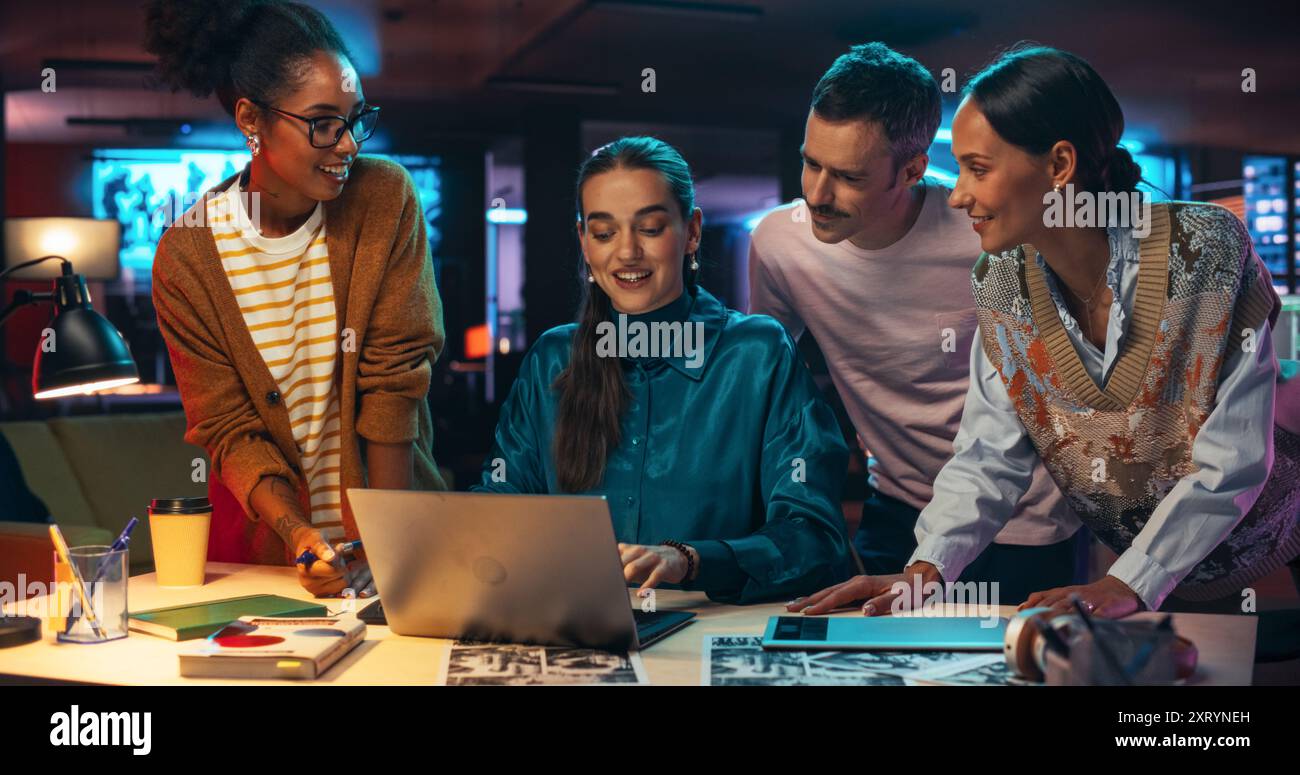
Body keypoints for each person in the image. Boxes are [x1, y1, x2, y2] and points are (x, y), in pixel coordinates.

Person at [794, 46, 1300, 618]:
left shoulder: (1206, 248)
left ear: (1059, 166)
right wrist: (924, 570)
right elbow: (989, 455)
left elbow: (1233, 461)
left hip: (1279, 521)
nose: (957, 195)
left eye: (978, 168)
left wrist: (1128, 582)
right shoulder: (999, 283)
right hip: (1172, 564)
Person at [750, 43, 1079, 606]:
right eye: (810, 163)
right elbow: (772, 386)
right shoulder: (779, 244)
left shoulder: (988, 231)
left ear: (912, 169)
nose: (816, 195)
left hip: (1025, 517)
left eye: (848, 176)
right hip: (897, 507)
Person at [146, 0, 447, 597]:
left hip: (401, 550)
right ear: (250, 120)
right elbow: (228, 427)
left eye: (356, 119)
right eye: (322, 123)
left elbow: (393, 387)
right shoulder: (186, 256)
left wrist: (384, 553)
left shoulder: (384, 200)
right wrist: (297, 532)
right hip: (265, 565)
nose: (348, 146)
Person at [473, 136, 852, 604]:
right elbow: (502, 499)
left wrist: (691, 561)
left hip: (709, 642)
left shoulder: (757, 353)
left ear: (691, 231)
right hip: (572, 626)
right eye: (605, 233)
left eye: (650, 228)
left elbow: (812, 536)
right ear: (583, 242)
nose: (627, 253)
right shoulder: (555, 357)